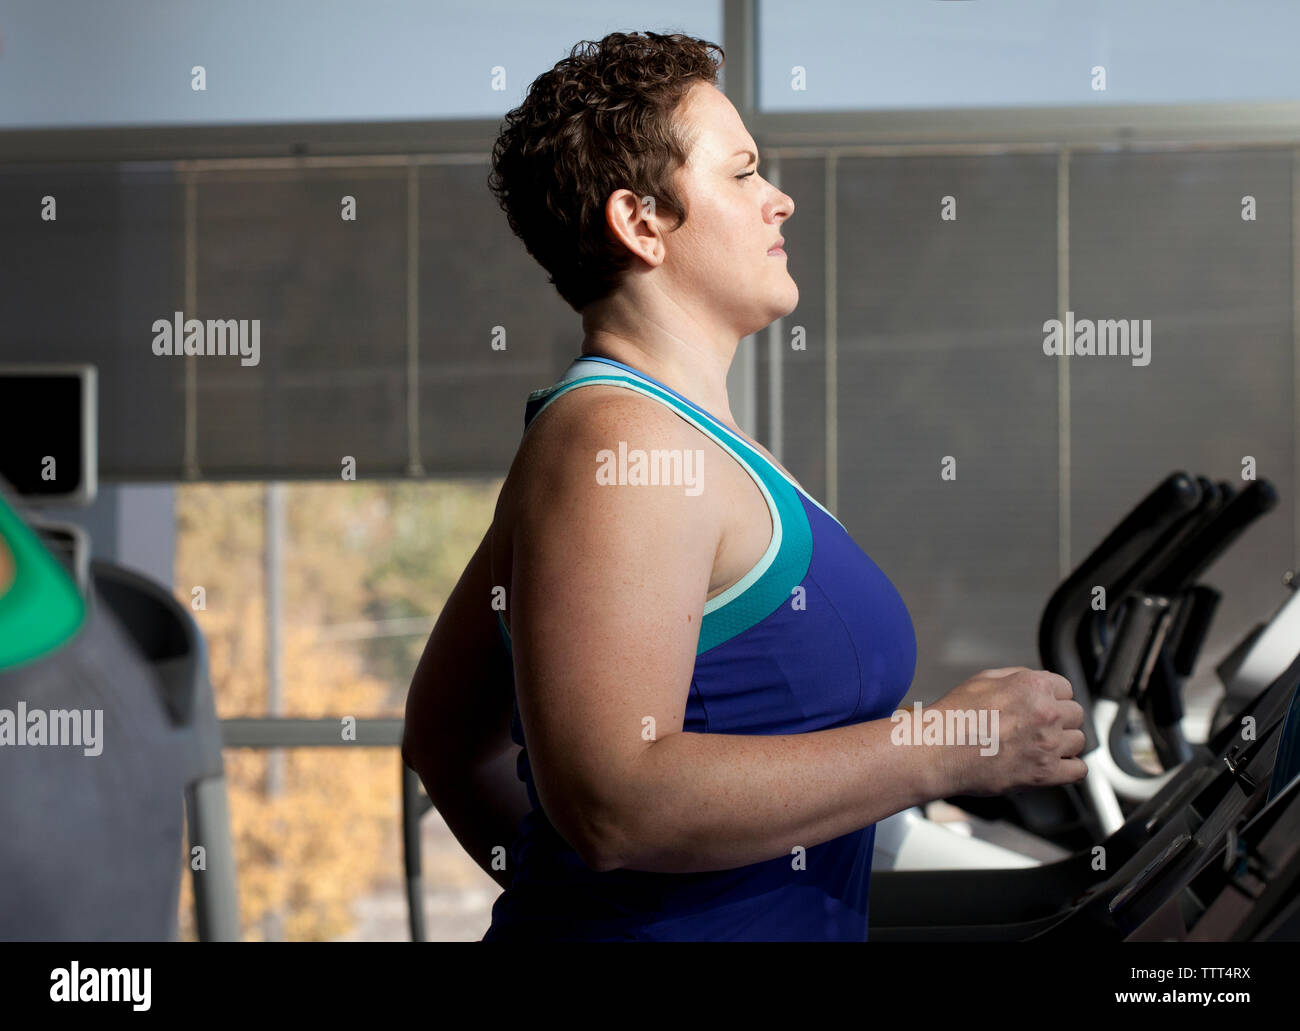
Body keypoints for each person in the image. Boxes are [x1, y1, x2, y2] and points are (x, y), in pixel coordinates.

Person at [401, 30, 1087, 942]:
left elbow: (446, 734)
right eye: (743, 173)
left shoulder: (692, 443)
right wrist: (945, 746)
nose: (779, 199)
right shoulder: (620, 444)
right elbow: (611, 801)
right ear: (641, 222)